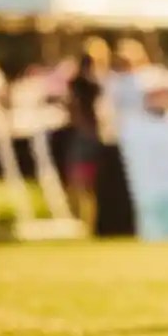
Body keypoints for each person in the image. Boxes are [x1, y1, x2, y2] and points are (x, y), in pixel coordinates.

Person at [66, 53, 103, 228]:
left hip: (84, 135)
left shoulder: (80, 85)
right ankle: (86, 220)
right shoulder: (95, 85)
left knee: (80, 181)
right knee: (87, 184)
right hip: (91, 134)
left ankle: (82, 220)